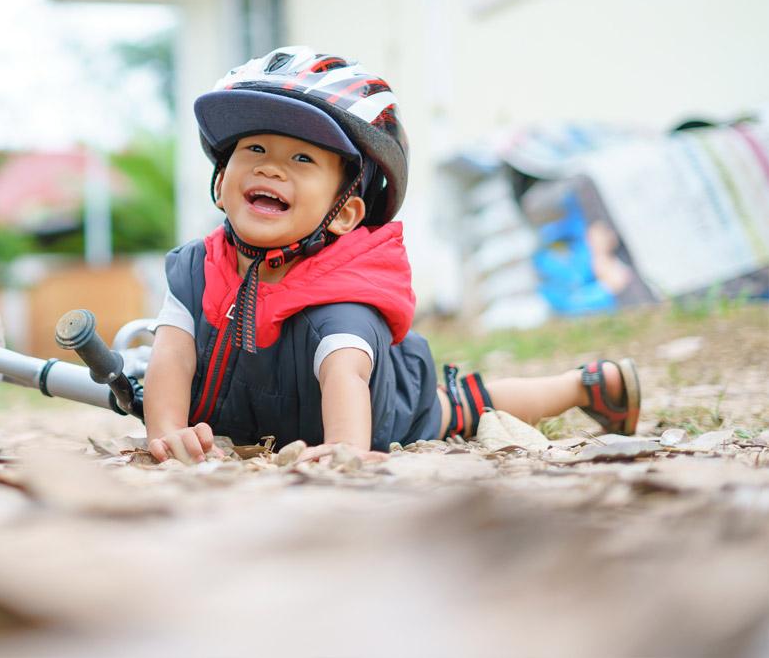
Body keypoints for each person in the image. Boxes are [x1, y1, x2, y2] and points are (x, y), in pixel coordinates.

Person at [142, 46, 641, 465]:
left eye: (301, 159)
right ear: (222, 179)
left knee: (465, 406)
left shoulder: (340, 303)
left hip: (389, 405)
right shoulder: (195, 271)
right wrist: (165, 430)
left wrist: (343, 448)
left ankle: (586, 386)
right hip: (257, 401)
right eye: (253, 149)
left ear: (344, 213)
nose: (271, 168)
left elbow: (346, 374)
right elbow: (172, 352)